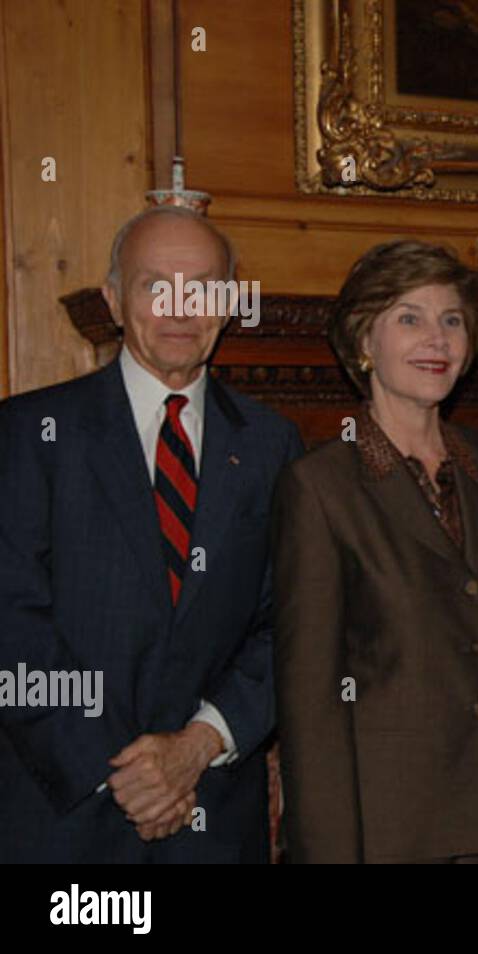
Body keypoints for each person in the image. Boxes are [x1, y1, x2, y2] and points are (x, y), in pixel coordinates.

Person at [0, 205, 302, 862]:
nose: (178, 307)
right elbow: (11, 622)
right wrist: (130, 779)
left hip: (215, 819)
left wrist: (196, 748)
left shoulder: (274, 447)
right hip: (65, 818)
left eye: (201, 287)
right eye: (153, 284)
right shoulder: (27, 435)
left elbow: (294, 623)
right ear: (113, 299)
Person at [273, 240, 478, 863]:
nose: (436, 339)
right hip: (386, 835)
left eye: (452, 320)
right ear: (363, 342)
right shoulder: (321, 486)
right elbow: (312, 701)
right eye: (410, 318)